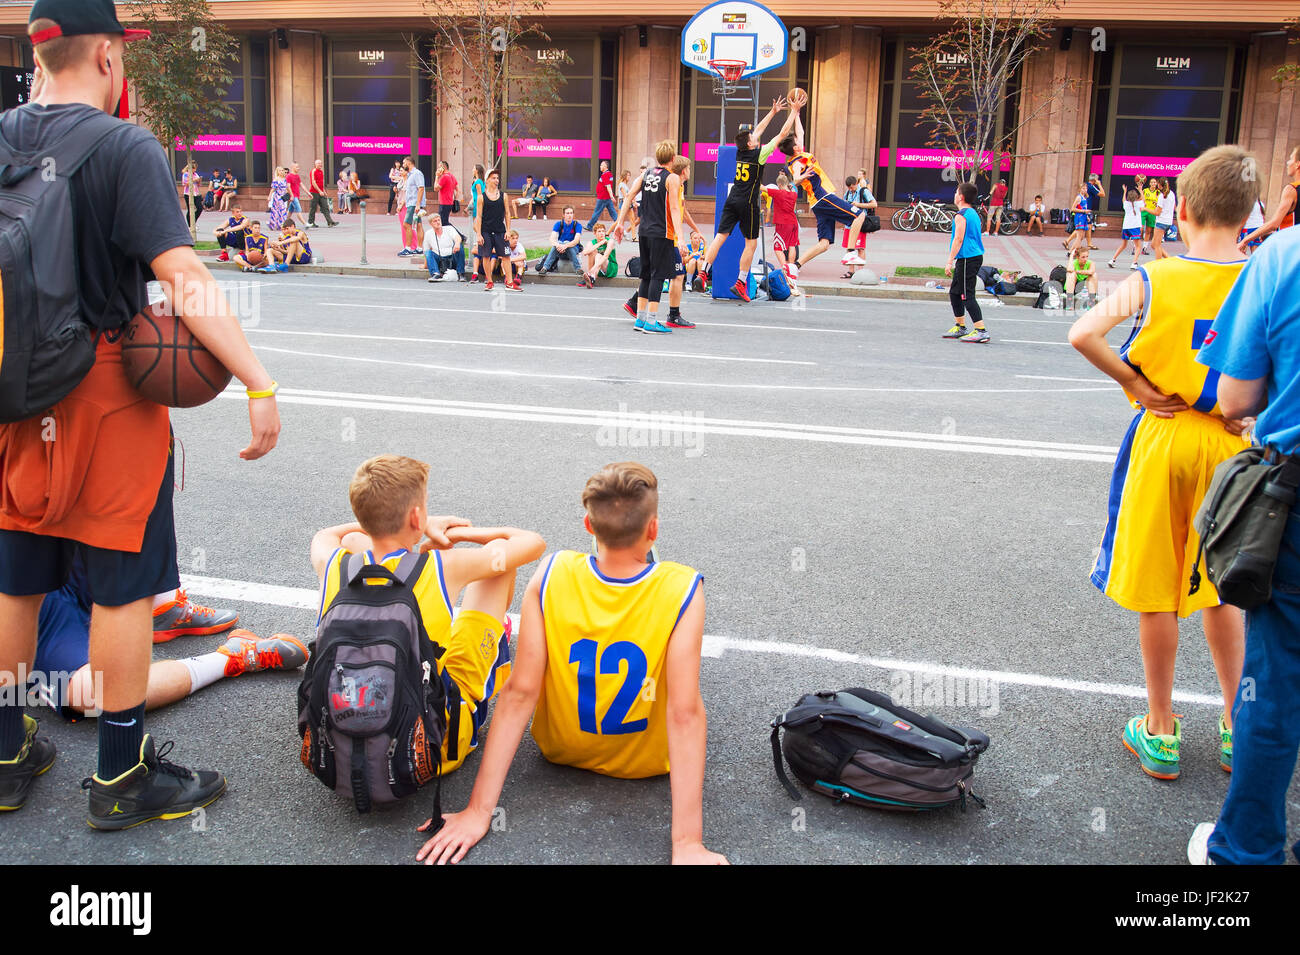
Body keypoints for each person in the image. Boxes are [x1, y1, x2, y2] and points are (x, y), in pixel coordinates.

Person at [0, 0, 281, 828]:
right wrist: (255, 380)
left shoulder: (4, 133)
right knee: (121, 586)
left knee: (16, 575)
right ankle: (121, 776)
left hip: (16, 391)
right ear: (112, 60)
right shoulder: (124, 145)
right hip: (108, 386)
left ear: (38, 52)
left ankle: (8, 754)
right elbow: (184, 276)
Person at [415, 462, 726, 866]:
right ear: (653, 530)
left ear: (588, 525)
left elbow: (521, 692)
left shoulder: (552, 572)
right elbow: (683, 714)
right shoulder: (683, 586)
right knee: (685, 691)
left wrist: (478, 811)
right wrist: (687, 843)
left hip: (559, 748)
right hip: (646, 763)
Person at [1067, 144, 1258, 789]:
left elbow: (1083, 333)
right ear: (1249, 210)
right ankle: (1237, 723)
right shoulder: (1263, 276)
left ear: (1182, 207)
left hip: (1166, 435)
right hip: (1234, 447)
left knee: (1157, 588)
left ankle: (1161, 727)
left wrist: (1138, 384)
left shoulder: (1154, 276)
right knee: (1226, 586)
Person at [308, 455, 545, 787]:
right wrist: (463, 532)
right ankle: (493, 638)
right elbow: (532, 543)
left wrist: (390, 523)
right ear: (417, 516)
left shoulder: (332, 563)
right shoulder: (441, 565)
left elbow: (333, 534)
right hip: (429, 750)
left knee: (355, 544)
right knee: (498, 565)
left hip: (338, 750)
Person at [1188, 221, 1300, 867]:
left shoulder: (1282, 258)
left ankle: (1247, 850)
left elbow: (1234, 395)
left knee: (1275, 684)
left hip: (1295, 500)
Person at [25, 561, 304, 723]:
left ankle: (162, 606)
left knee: (115, 504)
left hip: (42, 551)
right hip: (36, 607)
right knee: (97, 693)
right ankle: (233, 656)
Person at [701, 97, 794, 301]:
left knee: (720, 236)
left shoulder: (740, 153)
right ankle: (741, 282)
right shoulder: (759, 156)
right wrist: (794, 111)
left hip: (732, 199)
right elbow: (782, 135)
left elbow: (757, 131)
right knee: (750, 244)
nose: (755, 136)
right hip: (748, 203)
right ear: (750, 143)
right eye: (753, 137)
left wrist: (773, 112)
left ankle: (702, 271)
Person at [780, 104, 872, 278]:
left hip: (817, 203)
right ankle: (851, 252)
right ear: (795, 148)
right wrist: (803, 176)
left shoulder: (801, 155)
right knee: (859, 215)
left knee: (824, 243)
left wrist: (797, 113)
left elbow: (801, 133)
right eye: (797, 142)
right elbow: (796, 180)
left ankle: (795, 266)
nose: (800, 141)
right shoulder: (798, 162)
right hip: (823, 197)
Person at [613, 140, 685, 335]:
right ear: (672, 158)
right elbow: (675, 209)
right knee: (658, 276)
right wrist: (682, 238)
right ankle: (652, 321)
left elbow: (629, 197)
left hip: (644, 231)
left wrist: (620, 222)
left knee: (646, 274)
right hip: (661, 232)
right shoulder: (672, 179)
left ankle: (641, 318)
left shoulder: (646, 174)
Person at [941, 182, 989, 344]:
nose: (954, 195)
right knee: (955, 292)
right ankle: (960, 326)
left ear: (961, 197)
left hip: (968, 258)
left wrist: (949, 261)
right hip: (968, 257)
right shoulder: (973, 213)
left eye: (956, 192)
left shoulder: (961, 216)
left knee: (966, 295)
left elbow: (959, 239)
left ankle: (981, 330)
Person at [1238, 145, 1298, 252]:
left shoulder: (1292, 189)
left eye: (1290, 159)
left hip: (1291, 248)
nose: (1287, 162)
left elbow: (1274, 223)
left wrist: (1245, 240)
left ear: (1298, 164)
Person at [474, 167, 512, 291]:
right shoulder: (481, 197)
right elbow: (478, 217)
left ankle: (510, 282)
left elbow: (507, 213)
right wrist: (479, 234)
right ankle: (489, 281)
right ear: (487, 180)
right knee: (486, 256)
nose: (496, 180)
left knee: (506, 256)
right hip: (486, 231)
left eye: (497, 178)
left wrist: (508, 230)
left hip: (500, 231)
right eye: (493, 178)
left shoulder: (503, 196)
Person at [763, 172, 800, 282]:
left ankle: (785, 268)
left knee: (778, 247)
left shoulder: (778, 193)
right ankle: (792, 268)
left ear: (779, 184)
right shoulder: (794, 194)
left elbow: (763, 188)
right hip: (794, 222)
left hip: (783, 223)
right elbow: (792, 187)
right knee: (792, 245)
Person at [422, 212, 467, 282]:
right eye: (435, 221)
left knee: (460, 246)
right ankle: (435, 274)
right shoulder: (428, 234)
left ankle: (461, 273)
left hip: (452, 257)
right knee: (428, 252)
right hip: (440, 260)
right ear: (431, 224)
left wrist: (457, 243)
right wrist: (425, 265)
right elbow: (426, 250)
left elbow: (457, 237)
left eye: (439, 220)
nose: (438, 222)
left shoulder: (449, 228)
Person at [538, 205, 583, 273]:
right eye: (567, 213)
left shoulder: (577, 225)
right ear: (563, 215)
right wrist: (558, 245)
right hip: (560, 250)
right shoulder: (559, 224)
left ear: (573, 214)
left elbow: (576, 240)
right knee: (555, 246)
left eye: (571, 213)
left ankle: (578, 269)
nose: (569, 215)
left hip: (573, 249)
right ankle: (545, 268)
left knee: (567, 245)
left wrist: (565, 246)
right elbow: (552, 238)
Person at [1108, 186, 1144, 270]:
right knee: (1138, 246)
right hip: (1135, 227)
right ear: (1137, 197)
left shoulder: (1126, 204)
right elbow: (1143, 199)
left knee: (1123, 245)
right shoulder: (1138, 204)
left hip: (1126, 227)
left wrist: (1124, 191)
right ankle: (1134, 263)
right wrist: (1140, 190)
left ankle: (1112, 260)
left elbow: (1123, 200)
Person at [398, 157, 426, 256]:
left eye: (404, 163)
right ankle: (419, 248)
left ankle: (408, 248)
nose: (403, 165)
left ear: (409, 163)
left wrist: (418, 204)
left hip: (414, 204)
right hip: (411, 203)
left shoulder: (416, 173)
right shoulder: (410, 175)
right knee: (418, 225)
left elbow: (421, 188)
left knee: (406, 224)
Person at [578, 222, 618, 287]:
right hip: (597, 269)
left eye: (603, 231)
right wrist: (600, 243)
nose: (602, 233)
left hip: (610, 268)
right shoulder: (592, 242)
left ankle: (590, 275)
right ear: (594, 233)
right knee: (592, 251)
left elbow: (605, 256)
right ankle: (591, 279)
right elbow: (585, 253)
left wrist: (593, 268)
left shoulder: (610, 241)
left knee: (599, 256)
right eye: (599, 231)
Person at [586, 159, 617, 230]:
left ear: (605, 166)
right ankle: (618, 224)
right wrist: (611, 196)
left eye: (601, 165)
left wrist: (612, 197)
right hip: (607, 198)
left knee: (597, 212)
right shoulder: (608, 174)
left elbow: (608, 186)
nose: (600, 166)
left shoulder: (606, 175)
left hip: (603, 198)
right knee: (613, 212)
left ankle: (589, 226)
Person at [305, 157, 335, 229]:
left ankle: (330, 222)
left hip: (321, 192)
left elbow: (321, 183)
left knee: (325, 207)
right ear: (315, 164)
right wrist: (319, 191)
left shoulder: (321, 172)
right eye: (318, 163)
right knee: (313, 208)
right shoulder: (313, 171)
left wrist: (324, 191)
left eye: (321, 163)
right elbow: (313, 182)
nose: (320, 164)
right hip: (314, 192)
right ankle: (311, 223)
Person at [1064, 181, 1090, 254]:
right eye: (1083, 188)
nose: (1085, 190)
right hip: (1079, 217)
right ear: (1080, 189)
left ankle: (1071, 251)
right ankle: (1074, 251)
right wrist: (1084, 211)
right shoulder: (1079, 197)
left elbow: (1082, 207)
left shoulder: (1084, 198)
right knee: (1079, 236)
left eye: (1086, 188)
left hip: (1083, 217)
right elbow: (1073, 208)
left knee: (1081, 237)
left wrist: (1087, 216)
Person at [1153, 177, 1176, 259]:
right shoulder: (1172, 194)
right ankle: (1170, 260)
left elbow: (1157, 212)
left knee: (1157, 245)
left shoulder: (1161, 196)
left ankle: (1158, 266)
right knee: (1153, 244)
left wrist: (1145, 209)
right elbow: (1173, 207)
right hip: (1168, 221)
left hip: (1161, 222)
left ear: (1159, 185)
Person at [180, 160, 202, 229]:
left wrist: (199, 181)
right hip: (188, 193)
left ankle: (193, 222)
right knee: (190, 209)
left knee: (199, 208)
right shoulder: (186, 174)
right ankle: (190, 225)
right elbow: (185, 184)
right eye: (194, 168)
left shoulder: (195, 174)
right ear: (191, 168)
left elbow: (198, 185)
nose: (195, 170)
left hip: (196, 193)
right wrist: (194, 180)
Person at [1085, 173, 1105, 249]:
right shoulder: (1091, 187)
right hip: (1087, 209)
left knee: (1088, 227)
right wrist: (1099, 184)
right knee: (1084, 228)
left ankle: (1089, 243)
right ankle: (1067, 241)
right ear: (1094, 180)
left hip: (1084, 208)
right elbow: (1103, 194)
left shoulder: (1086, 185)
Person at [1141, 175, 1160, 254]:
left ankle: (1144, 248)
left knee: (1148, 231)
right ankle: (1135, 247)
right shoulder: (1145, 191)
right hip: (1144, 211)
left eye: (1154, 182)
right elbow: (1140, 198)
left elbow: (1160, 202)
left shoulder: (1158, 192)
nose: (1153, 183)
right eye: (1152, 182)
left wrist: (1157, 203)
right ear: (1149, 183)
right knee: (1140, 229)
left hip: (1152, 212)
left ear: (1156, 184)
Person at [266, 165, 289, 231]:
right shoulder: (276, 179)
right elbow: (273, 189)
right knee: (279, 210)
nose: (282, 172)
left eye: (282, 170)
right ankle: (278, 225)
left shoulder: (284, 179)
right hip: (278, 197)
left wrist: (288, 194)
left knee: (280, 210)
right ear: (277, 172)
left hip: (283, 197)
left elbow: (286, 188)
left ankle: (279, 225)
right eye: (280, 170)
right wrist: (269, 196)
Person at [435, 159, 457, 223]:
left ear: (443, 167)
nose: (438, 169)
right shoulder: (452, 176)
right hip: (449, 202)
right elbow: (457, 189)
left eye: (439, 167)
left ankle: (459, 233)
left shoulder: (444, 177)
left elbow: (435, 188)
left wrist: (436, 176)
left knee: (443, 222)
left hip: (444, 203)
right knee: (444, 222)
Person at [284, 161, 304, 227]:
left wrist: (308, 193)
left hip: (297, 195)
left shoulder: (297, 176)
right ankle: (305, 223)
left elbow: (301, 185)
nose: (298, 168)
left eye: (298, 167)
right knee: (298, 209)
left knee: (290, 211)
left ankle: (283, 222)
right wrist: (292, 195)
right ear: (292, 167)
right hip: (293, 196)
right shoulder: (289, 176)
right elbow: (288, 187)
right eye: (297, 167)